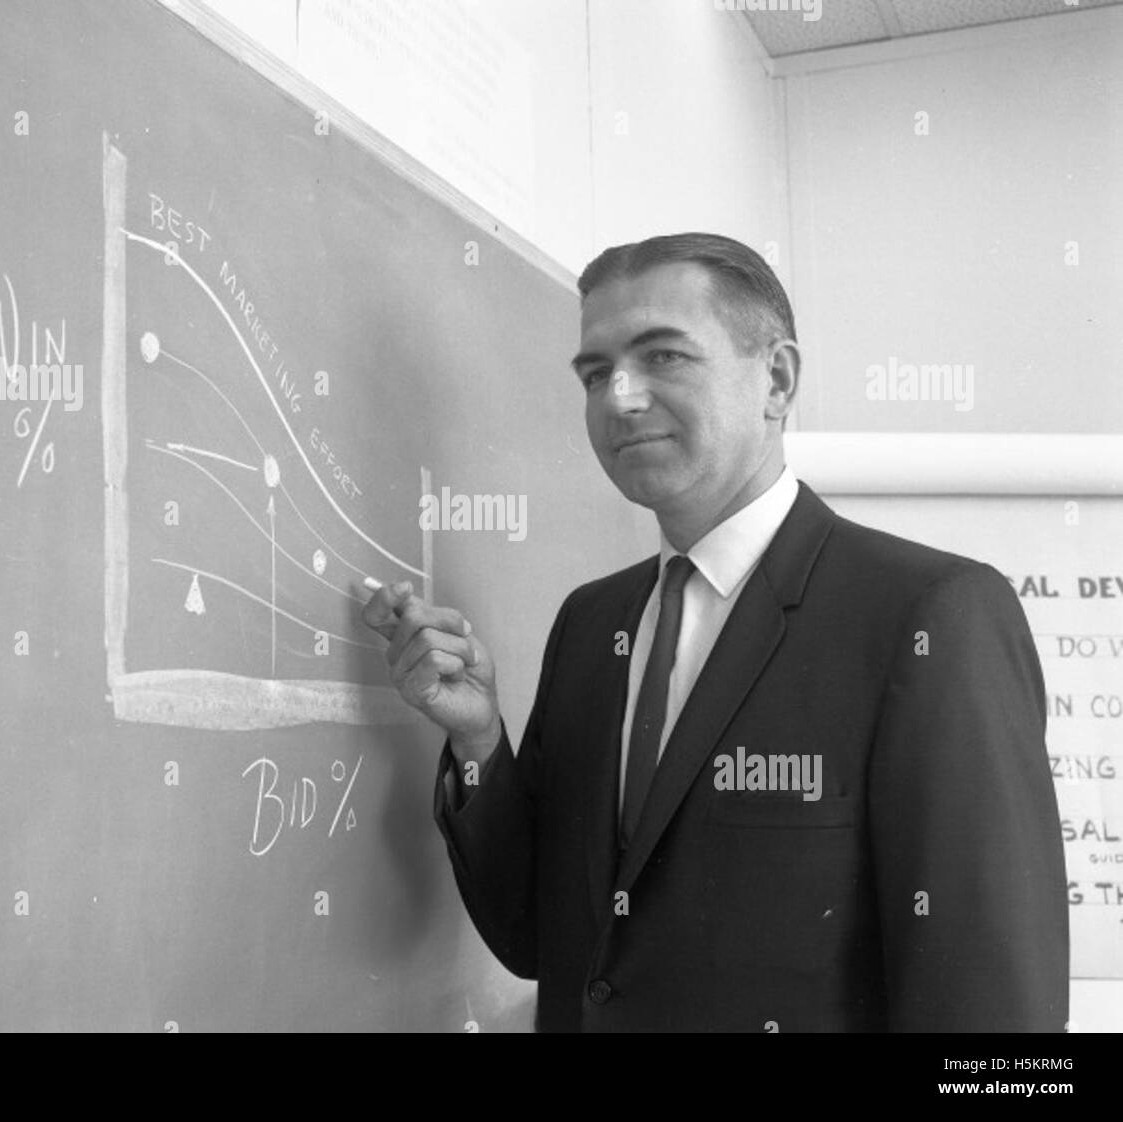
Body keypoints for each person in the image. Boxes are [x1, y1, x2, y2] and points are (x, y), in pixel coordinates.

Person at [362, 233, 1068, 1032]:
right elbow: (540, 939)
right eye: (596, 373)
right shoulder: (593, 625)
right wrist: (481, 745)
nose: (619, 397)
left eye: (662, 357)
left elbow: (997, 1005)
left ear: (777, 379)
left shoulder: (929, 614)